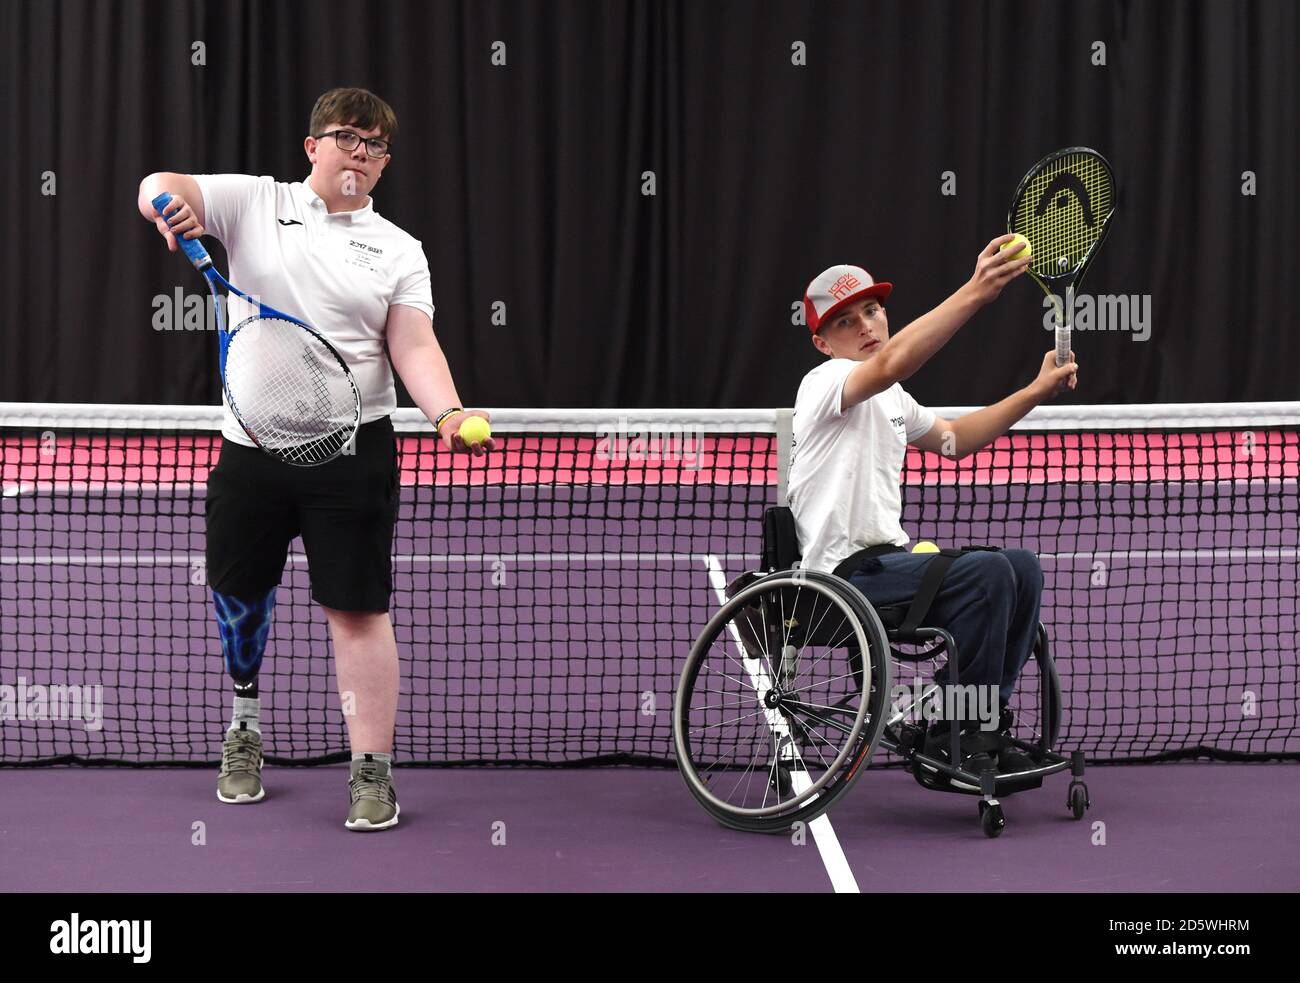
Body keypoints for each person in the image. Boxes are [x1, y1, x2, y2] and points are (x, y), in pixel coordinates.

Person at [136, 87, 490, 830]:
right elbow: (157, 184)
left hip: (352, 453)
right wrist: (167, 205)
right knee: (240, 603)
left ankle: (372, 771)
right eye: (346, 137)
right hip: (251, 452)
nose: (360, 153)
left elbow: (413, 343)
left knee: (359, 612)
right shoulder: (255, 204)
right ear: (313, 148)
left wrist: (448, 410)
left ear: (385, 163)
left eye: (375, 145)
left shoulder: (399, 249)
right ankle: (244, 728)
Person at [788, 240, 1077, 772]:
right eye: (846, 322)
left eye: (872, 311)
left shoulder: (892, 398)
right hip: (840, 579)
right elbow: (895, 360)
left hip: (888, 564)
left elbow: (954, 439)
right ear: (822, 342)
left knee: (1021, 567)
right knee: (987, 571)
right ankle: (958, 729)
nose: (867, 326)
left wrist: (1035, 391)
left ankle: (970, 712)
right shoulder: (824, 383)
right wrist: (978, 290)